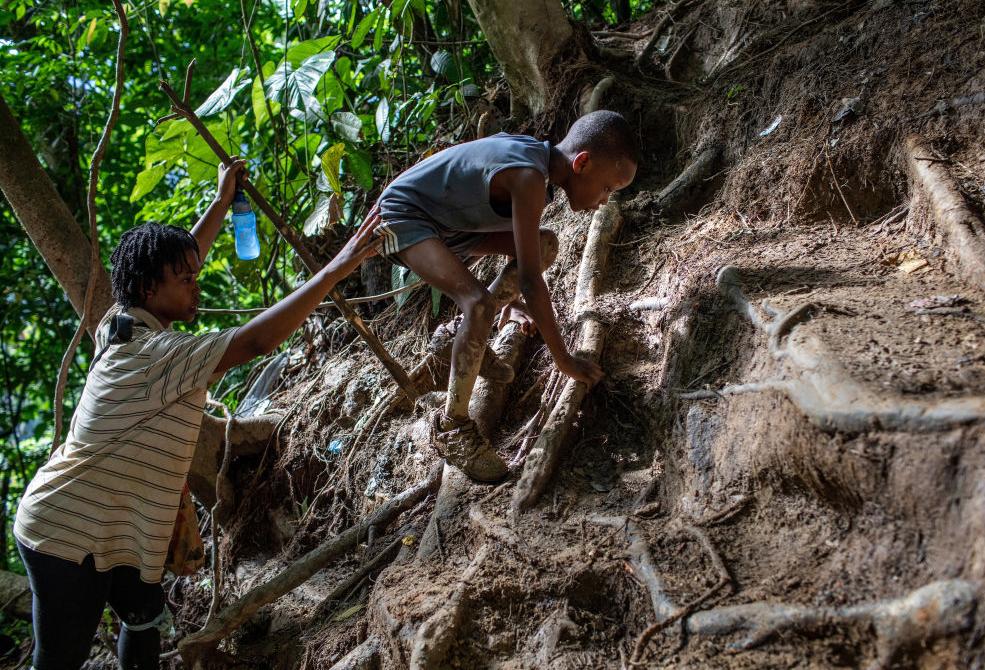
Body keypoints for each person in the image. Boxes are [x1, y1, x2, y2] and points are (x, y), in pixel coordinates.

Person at [13, 160, 381, 670]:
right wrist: (333, 270)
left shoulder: (119, 323)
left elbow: (178, 261)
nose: (195, 286)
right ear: (149, 289)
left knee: (143, 618)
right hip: (67, 531)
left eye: (195, 275)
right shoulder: (155, 355)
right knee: (59, 660)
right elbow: (254, 341)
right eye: (186, 280)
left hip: (115, 527)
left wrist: (221, 202)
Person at [376, 110, 638, 483]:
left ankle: (460, 335)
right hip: (402, 216)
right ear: (581, 163)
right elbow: (530, 281)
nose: (604, 200)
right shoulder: (529, 176)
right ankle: (452, 427)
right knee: (478, 304)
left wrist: (512, 303)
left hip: (446, 225)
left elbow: (518, 247)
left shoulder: (535, 164)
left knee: (545, 245)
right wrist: (564, 360)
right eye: (607, 188)